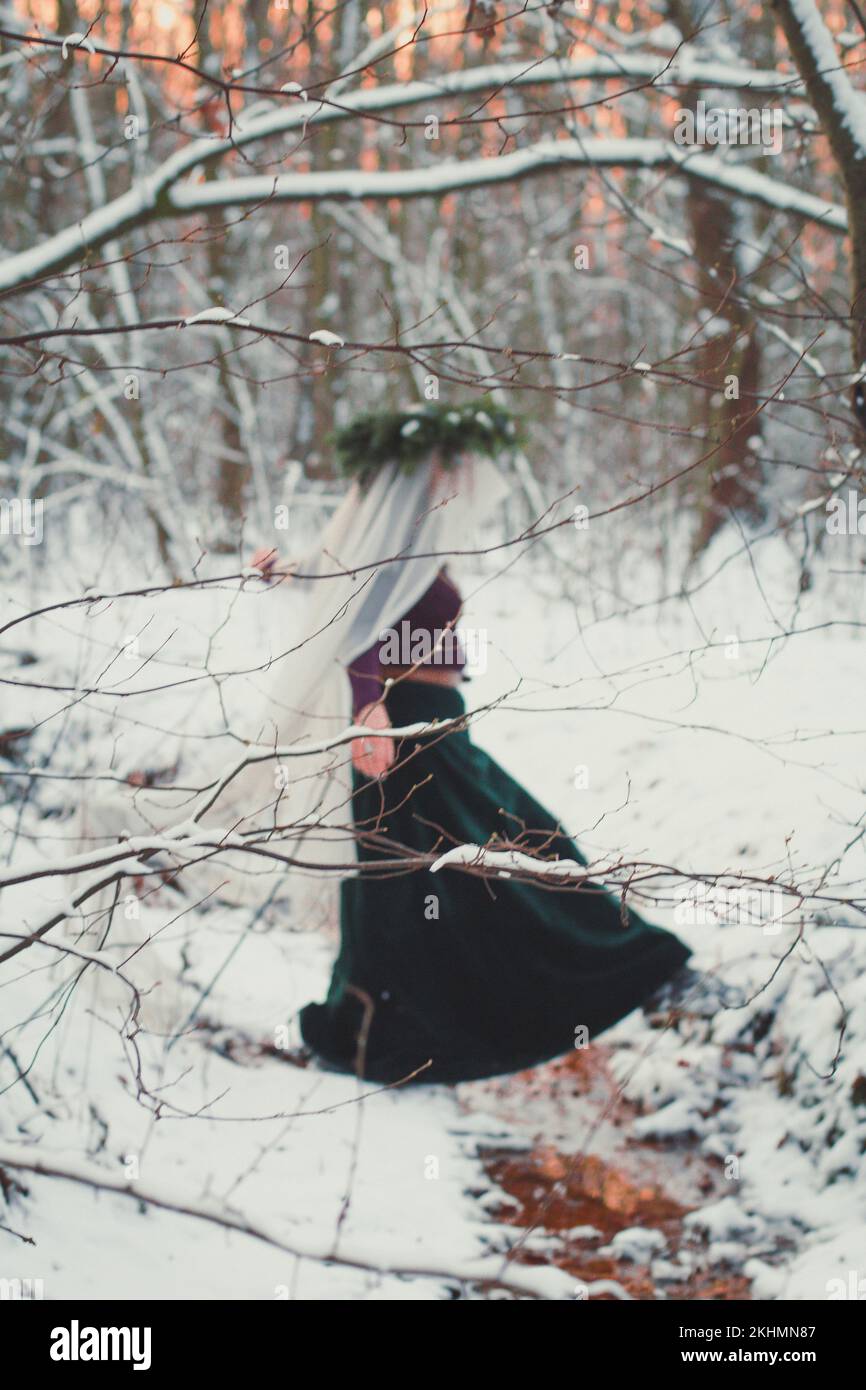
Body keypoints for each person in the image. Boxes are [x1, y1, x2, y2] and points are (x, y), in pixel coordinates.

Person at [253, 402, 691, 1085]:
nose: (457, 478)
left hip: (434, 721)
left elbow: (344, 582)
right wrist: (368, 707)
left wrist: (292, 570)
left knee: (470, 865)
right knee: (481, 858)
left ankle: (609, 968)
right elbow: (358, 624)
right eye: (445, 465)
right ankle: (400, 1025)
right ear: (413, 471)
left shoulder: (408, 539)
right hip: (404, 730)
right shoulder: (397, 542)